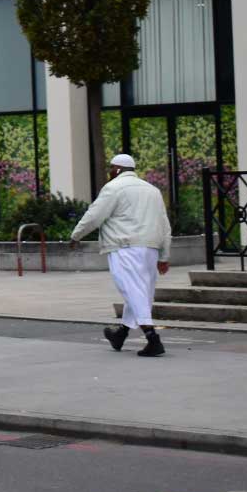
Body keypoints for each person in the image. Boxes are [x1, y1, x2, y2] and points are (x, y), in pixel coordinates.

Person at [70, 153, 172, 357]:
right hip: (150, 249)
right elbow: (165, 225)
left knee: (132, 290)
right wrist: (164, 255)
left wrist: (76, 235)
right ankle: (121, 334)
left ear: (117, 169)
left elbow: (94, 215)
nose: (109, 172)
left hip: (125, 247)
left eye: (111, 168)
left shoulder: (113, 188)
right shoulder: (152, 191)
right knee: (139, 290)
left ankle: (152, 338)